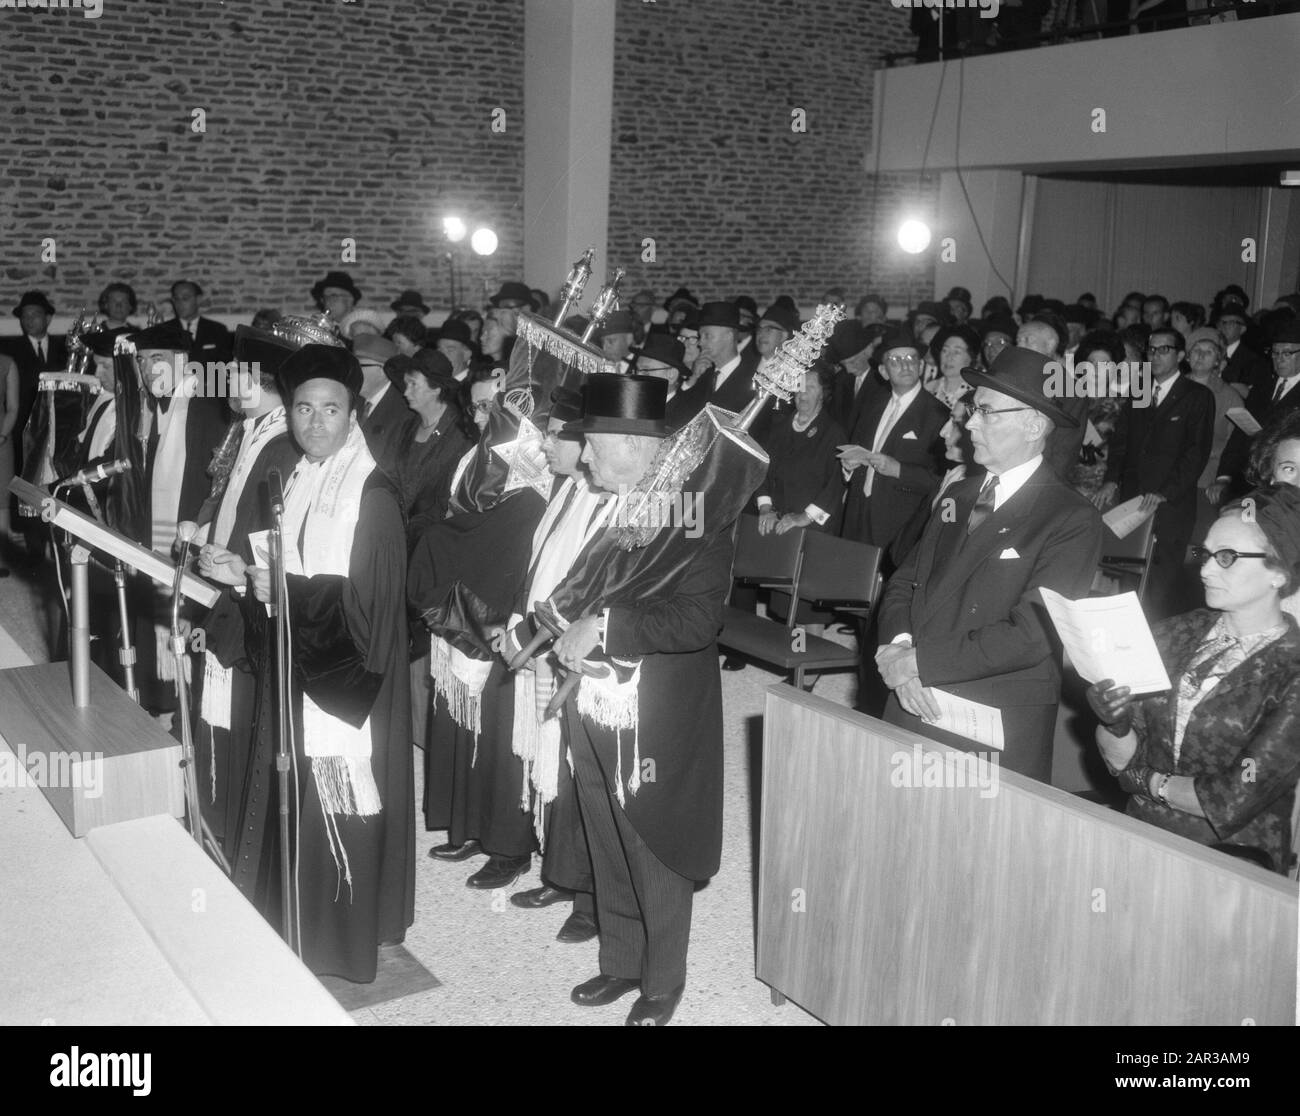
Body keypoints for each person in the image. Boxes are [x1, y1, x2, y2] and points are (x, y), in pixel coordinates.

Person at [200, 343, 415, 980]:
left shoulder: (370, 495)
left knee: (334, 796)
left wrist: (281, 590)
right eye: (303, 409)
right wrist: (244, 574)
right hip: (299, 661)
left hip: (347, 680)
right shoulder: (299, 475)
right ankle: (289, 916)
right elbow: (288, 565)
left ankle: (333, 939)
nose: (315, 423)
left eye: (331, 410)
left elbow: (369, 610)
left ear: (354, 416)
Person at [552, 374, 733, 1026]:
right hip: (595, 699)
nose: (587, 455)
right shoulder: (614, 503)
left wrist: (604, 626)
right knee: (603, 828)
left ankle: (662, 981)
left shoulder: (696, 514)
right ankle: (621, 961)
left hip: (656, 713)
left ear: (634, 444)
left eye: (595, 443)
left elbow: (696, 623)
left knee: (650, 838)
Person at [875, 346, 1104, 781]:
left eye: (986, 411)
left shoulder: (1070, 517)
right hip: (914, 687)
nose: (969, 423)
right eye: (971, 409)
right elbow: (905, 581)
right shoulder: (960, 496)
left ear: (1034, 425)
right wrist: (900, 649)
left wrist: (921, 663)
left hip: (991, 708)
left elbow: (1031, 635)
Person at [1086, 487, 1300, 875]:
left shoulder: (1292, 667)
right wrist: (1113, 723)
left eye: (1227, 558)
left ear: (1280, 573)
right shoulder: (1176, 632)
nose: (1205, 570)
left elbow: (1233, 798)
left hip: (1229, 864)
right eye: (1206, 553)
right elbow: (1120, 766)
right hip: (1137, 837)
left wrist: (1145, 781)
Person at [191, 326, 301, 860]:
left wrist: (238, 569)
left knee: (242, 704)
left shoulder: (281, 441)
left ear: (267, 382)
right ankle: (217, 815)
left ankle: (236, 829)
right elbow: (228, 499)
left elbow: (268, 526)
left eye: (239, 376)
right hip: (224, 580)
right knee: (220, 708)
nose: (229, 384)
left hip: (248, 594)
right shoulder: (252, 429)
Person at [504, 387, 604, 943]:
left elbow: (582, 584)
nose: (545, 442)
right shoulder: (565, 489)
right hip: (541, 640)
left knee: (577, 770)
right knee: (552, 766)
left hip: (571, 651)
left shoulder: (605, 499)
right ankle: (559, 869)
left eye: (556, 434)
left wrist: (536, 634)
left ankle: (586, 892)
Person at [1098, 328, 1215, 619]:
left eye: (1165, 349)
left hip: (1170, 505)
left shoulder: (1197, 396)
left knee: (1158, 593)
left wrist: (1165, 491)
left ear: (1180, 355)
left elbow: (1195, 453)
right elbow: (1121, 441)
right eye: (1152, 350)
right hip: (1133, 500)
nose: (1157, 355)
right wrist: (1112, 479)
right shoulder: (1139, 392)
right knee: (1128, 583)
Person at [838, 328, 948, 571]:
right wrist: (849, 467)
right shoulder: (872, 406)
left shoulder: (937, 414)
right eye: (895, 360)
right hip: (858, 516)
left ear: (921, 366)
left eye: (911, 359)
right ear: (883, 371)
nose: (905, 365)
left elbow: (943, 482)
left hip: (899, 525)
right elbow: (856, 449)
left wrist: (899, 470)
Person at [392, 350, 476, 547]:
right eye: (406, 384)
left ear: (436, 388)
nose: (405, 392)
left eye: (413, 384)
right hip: (396, 532)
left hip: (431, 539)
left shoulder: (460, 432)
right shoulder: (407, 426)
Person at [170, 279, 233, 365]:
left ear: (198, 300)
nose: (179, 303)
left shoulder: (218, 330)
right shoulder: (164, 330)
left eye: (185, 298)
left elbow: (225, 365)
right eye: (176, 299)